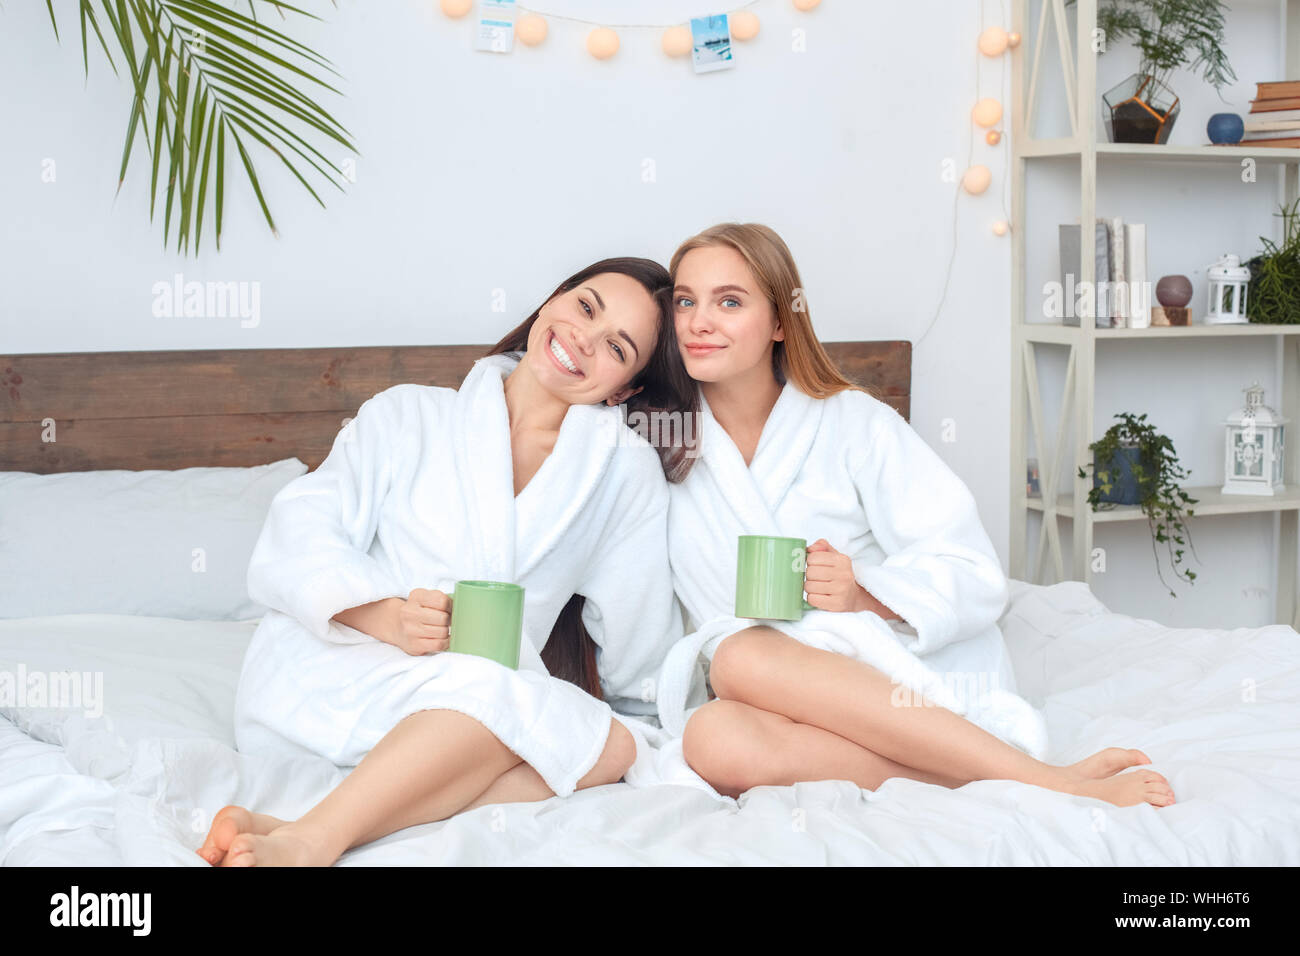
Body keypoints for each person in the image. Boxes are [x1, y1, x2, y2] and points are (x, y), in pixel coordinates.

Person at [654, 223, 1176, 809]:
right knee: (712, 736)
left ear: (780, 321)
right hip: (761, 700)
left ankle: (1051, 782)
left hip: (885, 678)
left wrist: (864, 594)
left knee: (742, 653)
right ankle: (984, 775)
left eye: (729, 301)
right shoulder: (661, 440)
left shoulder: (855, 423)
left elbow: (972, 569)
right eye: (684, 301)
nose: (699, 321)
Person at [198, 257, 694, 866]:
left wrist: (684, 702)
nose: (583, 340)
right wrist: (388, 615)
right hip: (340, 665)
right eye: (585, 307)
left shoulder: (621, 472)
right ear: (552, 301)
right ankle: (313, 842)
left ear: (626, 388)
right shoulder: (407, 415)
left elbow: (638, 634)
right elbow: (301, 530)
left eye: (617, 347)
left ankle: (307, 824)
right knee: (504, 699)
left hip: (477, 701)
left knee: (612, 745)